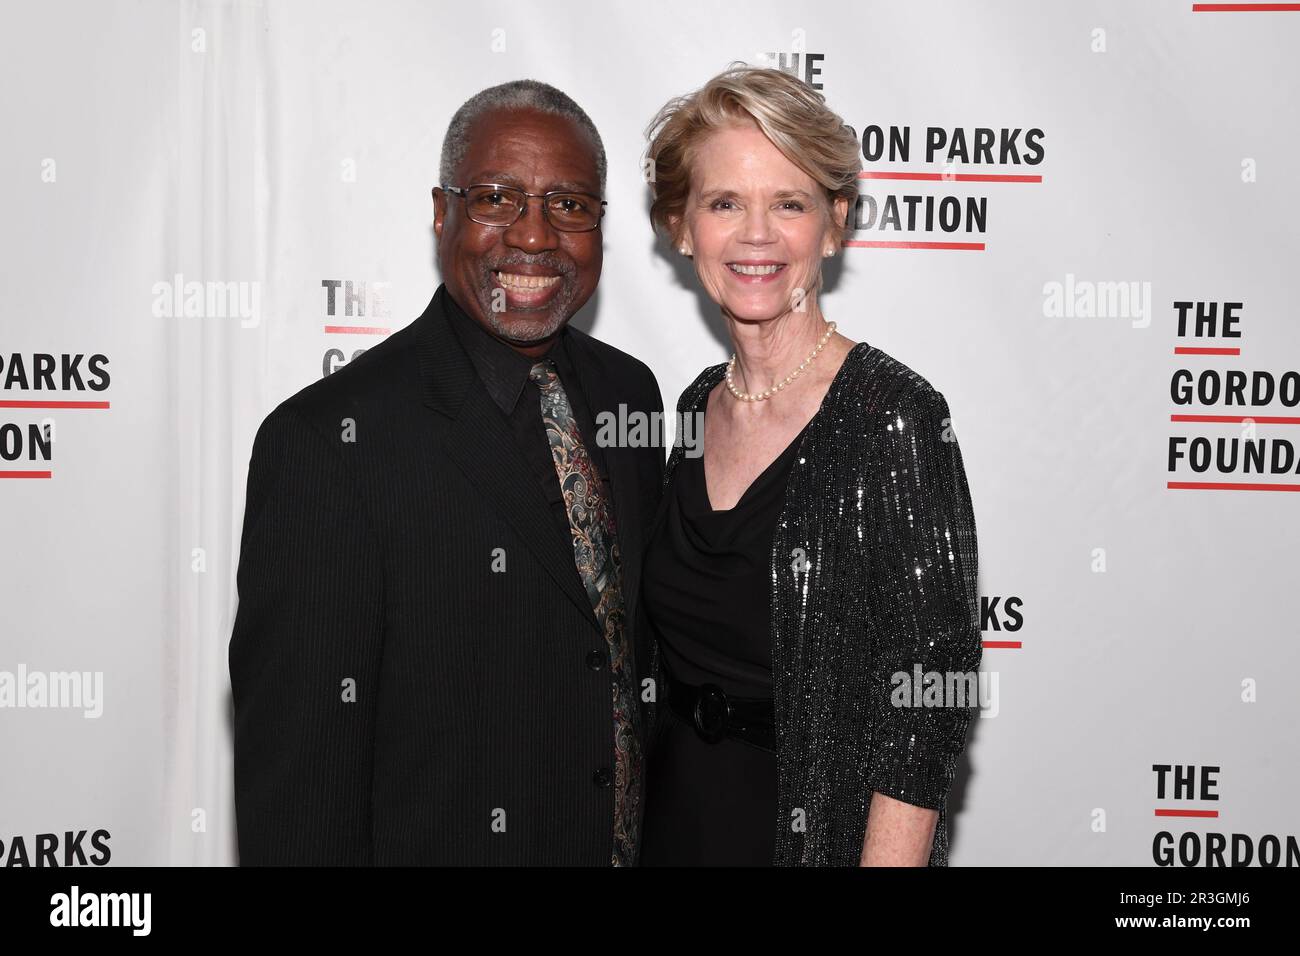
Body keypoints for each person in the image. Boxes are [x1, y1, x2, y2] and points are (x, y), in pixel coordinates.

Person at [229, 80, 665, 865]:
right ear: (443, 213)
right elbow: (300, 795)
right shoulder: (327, 446)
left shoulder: (630, 397)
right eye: (497, 197)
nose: (534, 238)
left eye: (569, 205)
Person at [638, 64, 982, 866]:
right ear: (682, 226)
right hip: (670, 830)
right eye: (725, 203)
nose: (756, 235)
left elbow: (928, 696)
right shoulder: (693, 408)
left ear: (833, 224)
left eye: (788, 203)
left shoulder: (895, 415)